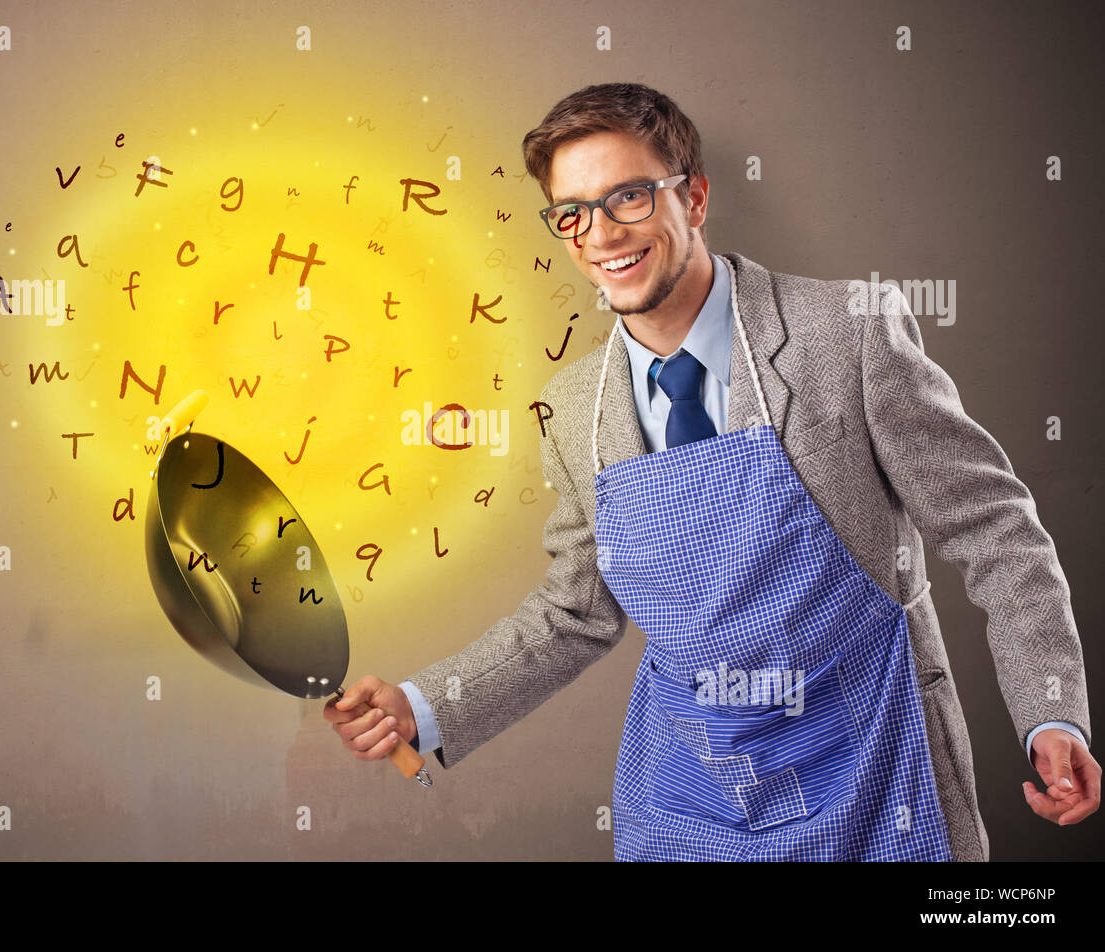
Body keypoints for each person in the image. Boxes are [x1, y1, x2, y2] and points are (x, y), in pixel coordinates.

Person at [323, 82, 1098, 860]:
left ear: (692, 197)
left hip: (874, 770)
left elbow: (994, 530)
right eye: (572, 212)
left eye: (627, 197)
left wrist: (1052, 711)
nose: (600, 234)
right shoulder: (571, 409)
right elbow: (574, 613)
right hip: (688, 797)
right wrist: (422, 705)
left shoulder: (846, 337)